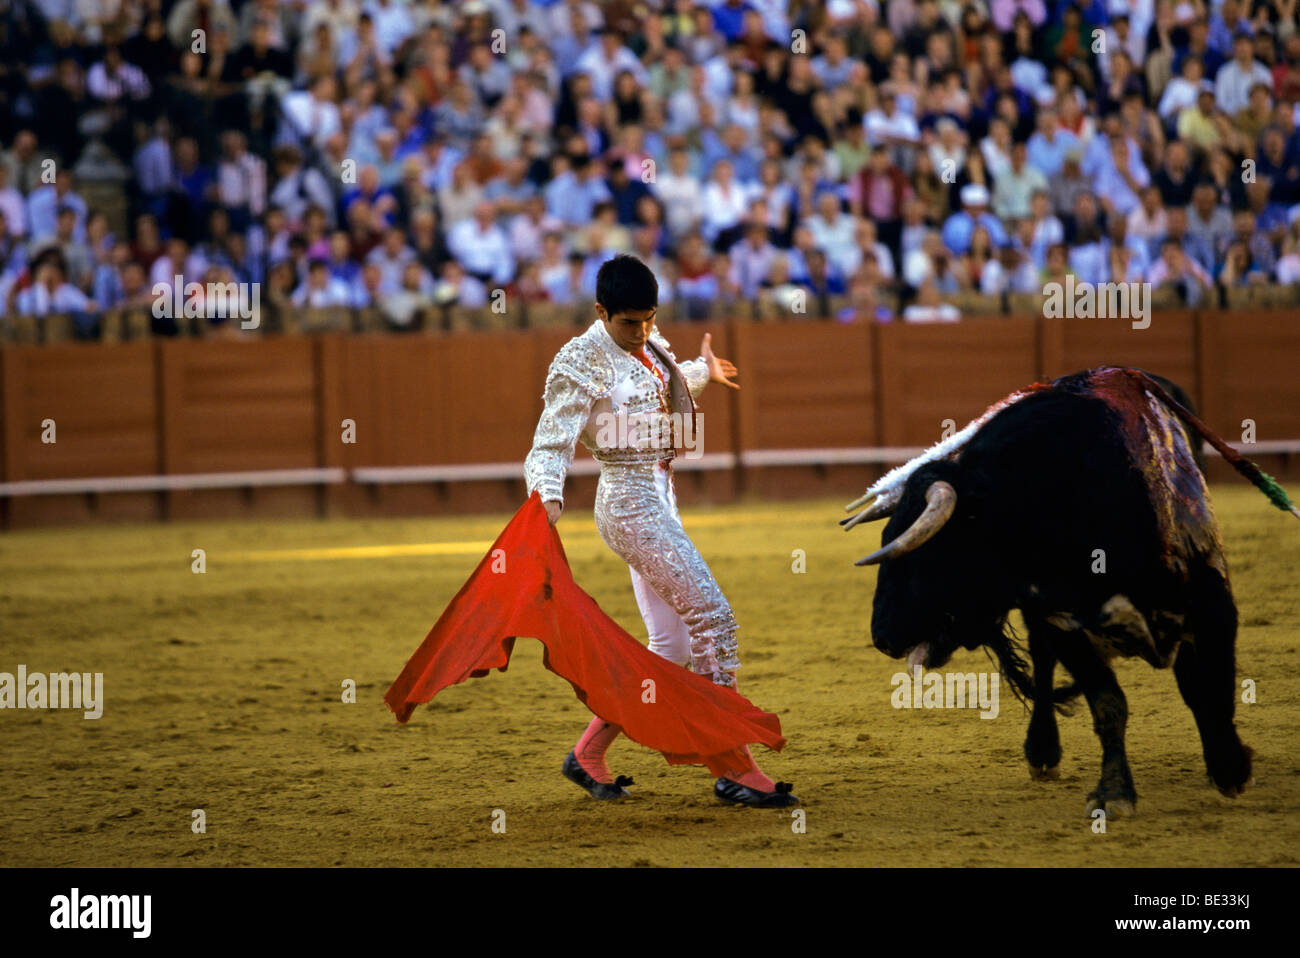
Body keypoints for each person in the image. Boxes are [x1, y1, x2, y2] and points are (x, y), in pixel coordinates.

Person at [523, 254, 798, 807]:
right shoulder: (580, 358)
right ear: (601, 312)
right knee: (713, 614)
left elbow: (657, 384)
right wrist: (546, 495)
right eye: (631, 323)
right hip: (628, 505)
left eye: (650, 319)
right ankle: (733, 763)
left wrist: (702, 373)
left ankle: (588, 754)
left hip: (660, 499)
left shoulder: (645, 340)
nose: (643, 332)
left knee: (669, 649)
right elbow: (550, 439)